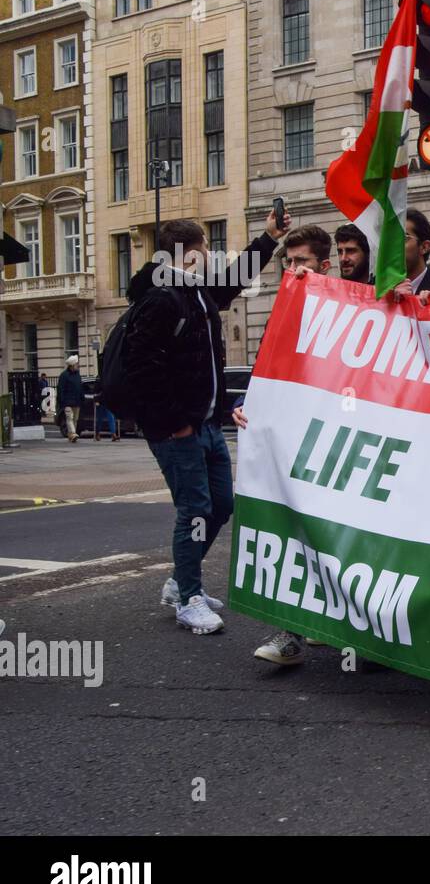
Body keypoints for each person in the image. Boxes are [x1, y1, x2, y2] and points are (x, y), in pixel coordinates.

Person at [125, 209, 290, 635]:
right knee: (195, 508)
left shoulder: (194, 292)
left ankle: (182, 580)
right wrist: (177, 422)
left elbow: (234, 281)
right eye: (205, 249)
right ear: (189, 254)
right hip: (179, 429)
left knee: (221, 504)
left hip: (207, 425)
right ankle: (188, 597)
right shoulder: (161, 298)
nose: (212, 256)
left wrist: (269, 237)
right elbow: (142, 367)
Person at [250, 225, 334, 664]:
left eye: (302, 261)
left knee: (334, 539)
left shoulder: (346, 310)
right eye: (289, 261)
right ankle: (291, 633)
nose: (293, 269)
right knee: (291, 536)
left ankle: (335, 623)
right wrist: (250, 408)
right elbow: (268, 373)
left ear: (324, 266)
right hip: (293, 446)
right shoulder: (281, 311)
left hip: (337, 448)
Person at [56, 355, 84, 442]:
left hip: (76, 401)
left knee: (75, 419)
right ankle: (73, 433)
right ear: (72, 365)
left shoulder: (77, 375)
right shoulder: (64, 375)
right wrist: (62, 401)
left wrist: (82, 397)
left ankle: (71, 435)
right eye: (76, 364)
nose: (78, 365)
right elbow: (60, 389)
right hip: (67, 402)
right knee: (69, 418)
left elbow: (80, 387)